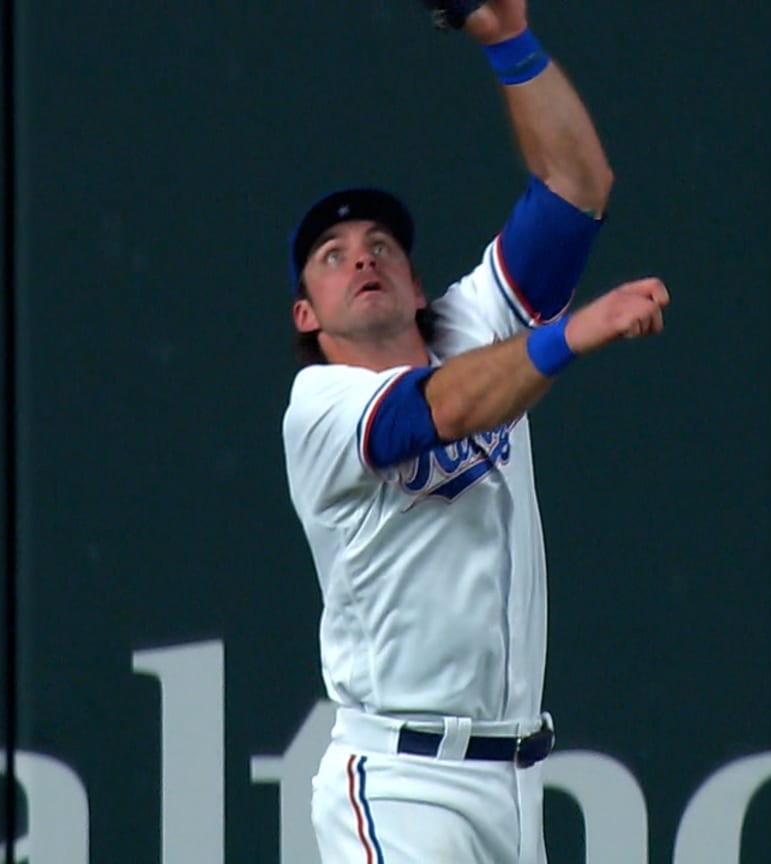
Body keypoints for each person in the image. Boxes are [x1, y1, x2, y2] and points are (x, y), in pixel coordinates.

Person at [280, 2, 669, 861]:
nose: (362, 257)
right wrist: (571, 332)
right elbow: (441, 410)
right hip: (398, 780)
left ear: (420, 287)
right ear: (307, 314)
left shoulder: (470, 326)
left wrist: (507, 40)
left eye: (380, 243)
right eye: (333, 255)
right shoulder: (320, 407)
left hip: (516, 777)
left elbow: (576, 193)